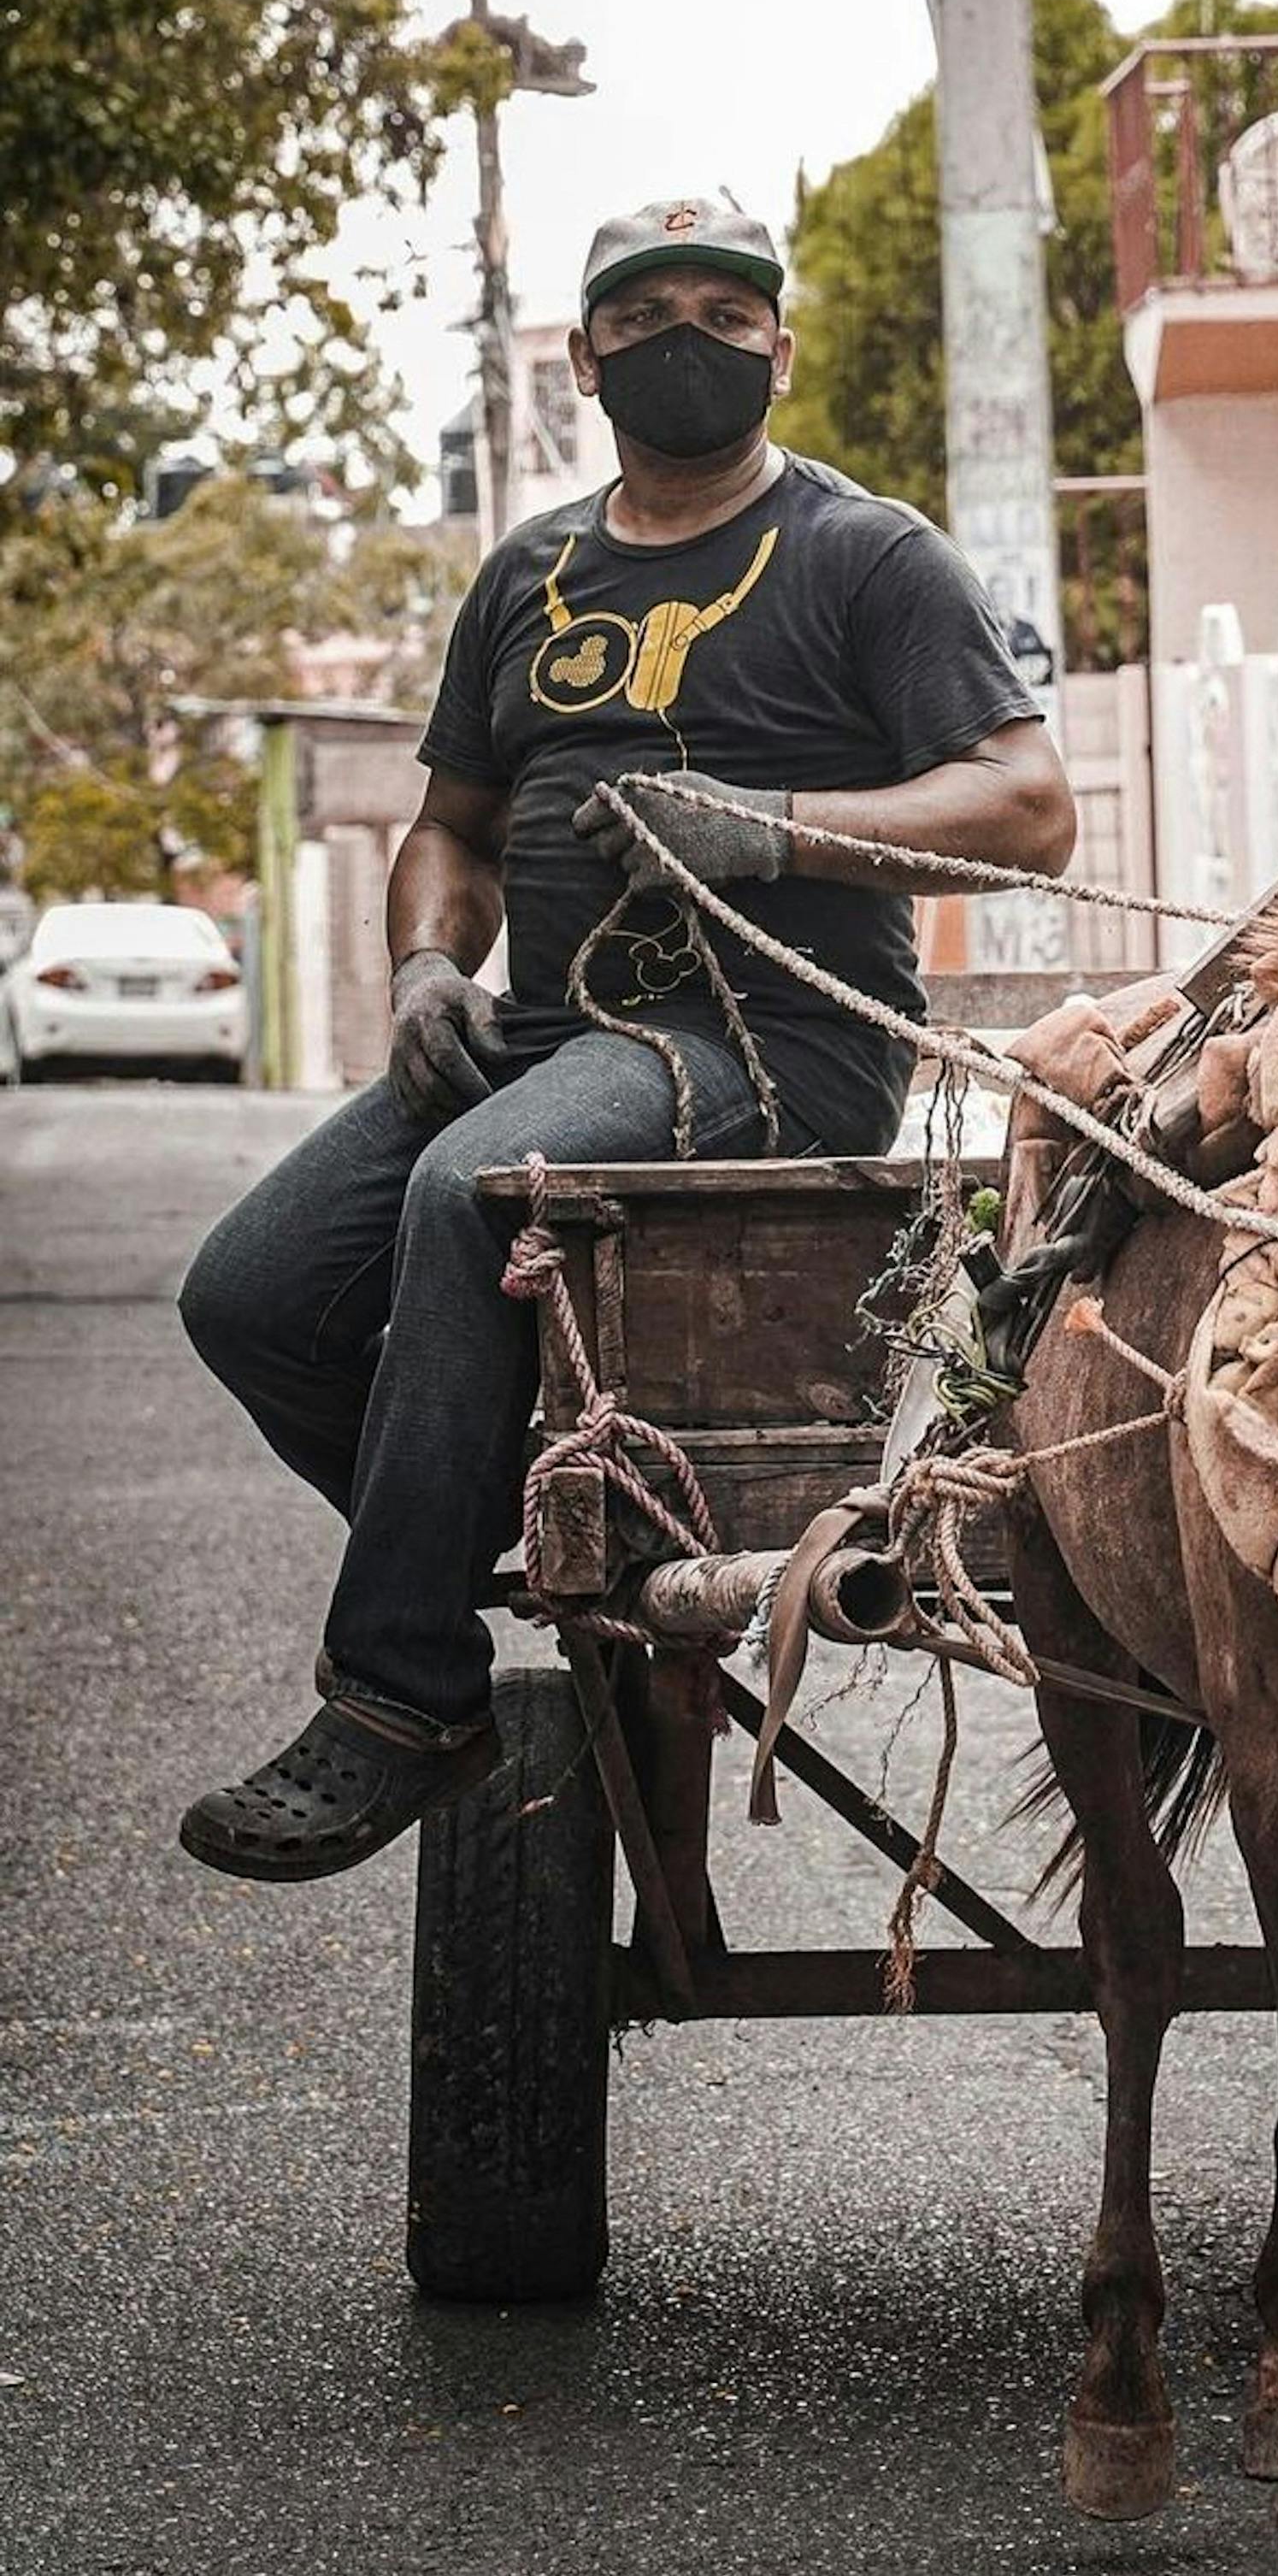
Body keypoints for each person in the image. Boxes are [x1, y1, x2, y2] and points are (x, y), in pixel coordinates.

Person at [176, 192, 1074, 1883]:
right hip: (534, 1033)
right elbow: (449, 822)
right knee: (248, 1290)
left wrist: (782, 828)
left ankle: (403, 1688)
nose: (692, 336)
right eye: (650, 309)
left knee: (472, 1189)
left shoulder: (864, 554)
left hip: (772, 1043)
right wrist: (426, 970)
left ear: (779, 347)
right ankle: (479, 1524)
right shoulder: (528, 571)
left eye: (729, 312)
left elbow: (1029, 805)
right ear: (587, 353)